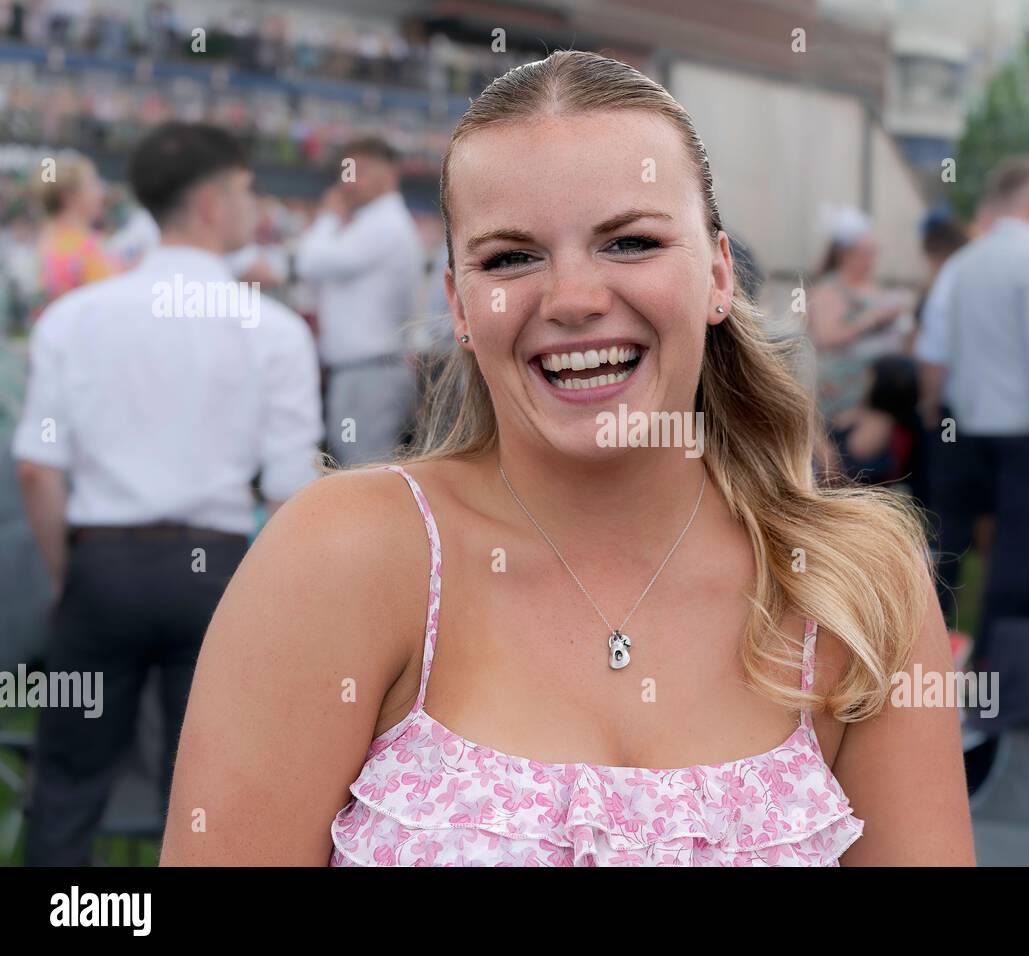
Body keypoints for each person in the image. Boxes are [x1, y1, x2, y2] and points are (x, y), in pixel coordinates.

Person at [161, 50, 974, 867]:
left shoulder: (855, 586)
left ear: (719, 275)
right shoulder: (341, 554)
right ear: (461, 306)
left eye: (629, 242)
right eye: (511, 257)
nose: (575, 299)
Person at [12, 121, 323, 865]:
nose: (256, 206)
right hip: (215, 573)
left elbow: (36, 468)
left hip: (102, 564)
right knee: (208, 799)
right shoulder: (273, 330)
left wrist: (69, 574)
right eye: (248, 190)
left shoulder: (75, 318)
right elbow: (291, 489)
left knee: (67, 785)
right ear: (214, 203)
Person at [916, 155, 1029, 662]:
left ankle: (922, 652)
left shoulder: (961, 264)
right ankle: (1003, 662)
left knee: (948, 540)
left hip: (965, 424)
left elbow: (934, 349)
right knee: (1020, 545)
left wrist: (933, 408)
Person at [294, 136, 423, 466]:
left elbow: (309, 261)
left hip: (370, 369)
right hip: (363, 369)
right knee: (355, 464)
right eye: (346, 171)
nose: (348, 181)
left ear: (389, 175)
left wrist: (328, 216)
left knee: (362, 468)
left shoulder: (385, 224)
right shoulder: (373, 222)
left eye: (358, 170)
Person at [808, 208, 915, 431]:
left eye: (873, 252)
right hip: (843, 393)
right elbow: (826, 336)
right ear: (846, 254)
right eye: (865, 253)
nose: (871, 259)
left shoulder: (873, 287)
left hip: (877, 389)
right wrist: (873, 318)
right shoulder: (830, 288)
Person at [30, 151, 121, 321]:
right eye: (93, 184)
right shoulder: (80, 248)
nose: (100, 192)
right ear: (69, 196)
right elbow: (112, 304)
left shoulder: (48, 240)